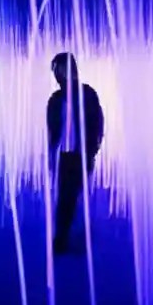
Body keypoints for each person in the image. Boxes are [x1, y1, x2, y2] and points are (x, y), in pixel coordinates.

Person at [46, 52, 104, 254]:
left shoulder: (87, 94)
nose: (57, 74)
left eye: (60, 69)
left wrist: (93, 148)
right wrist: (51, 153)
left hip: (81, 154)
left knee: (69, 195)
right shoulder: (55, 99)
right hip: (64, 155)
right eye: (55, 70)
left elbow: (97, 122)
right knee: (66, 196)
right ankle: (63, 237)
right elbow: (52, 128)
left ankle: (64, 237)